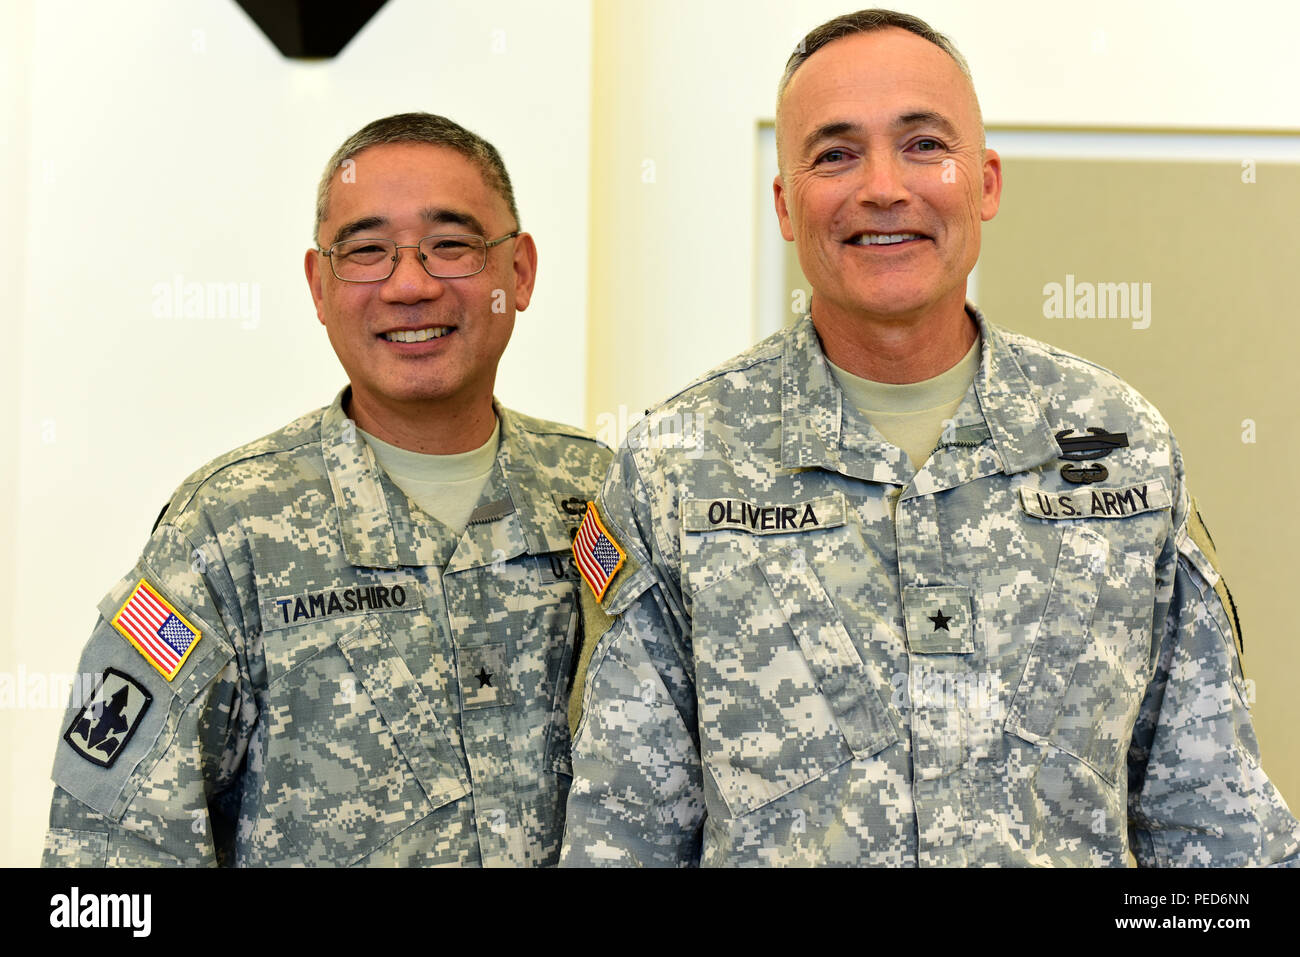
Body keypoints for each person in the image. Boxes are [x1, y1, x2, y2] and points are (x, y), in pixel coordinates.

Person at [560, 10, 1300, 866]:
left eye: (922, 144)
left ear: (984, 182)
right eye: (836, 153)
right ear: (785, 205)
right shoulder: (675, 467)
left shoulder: (1121, 452)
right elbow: (623, 839)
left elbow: (1219, 843)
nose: (882, 186)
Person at [42, 113, 610, 866]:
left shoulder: (601, 497)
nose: (411, 284)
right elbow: (103, 861)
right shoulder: (225, 531)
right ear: (319, 284)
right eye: (367, 251)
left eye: (452, 244)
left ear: (520, 271)